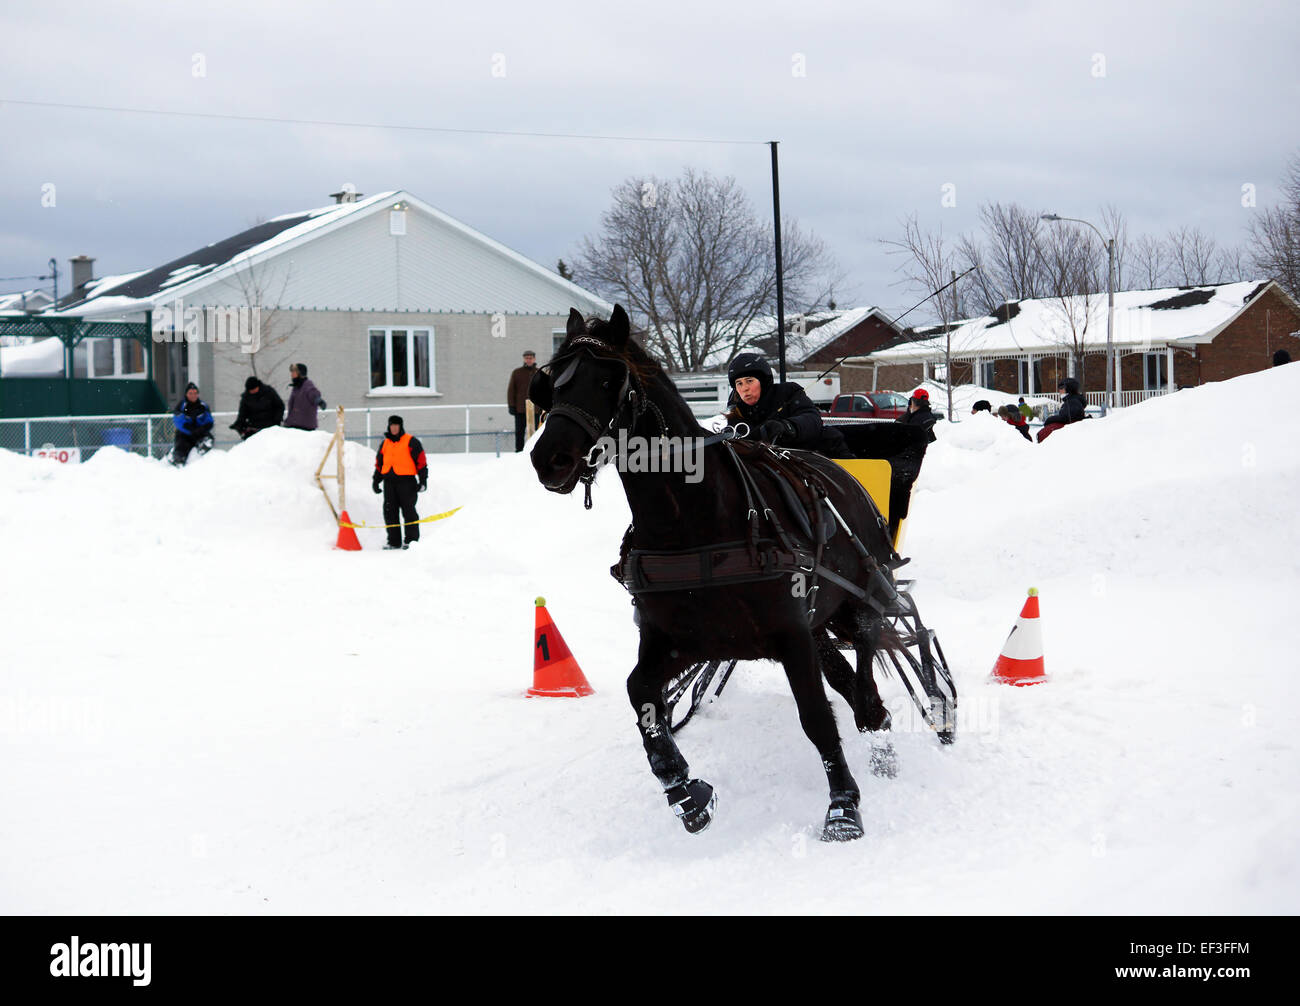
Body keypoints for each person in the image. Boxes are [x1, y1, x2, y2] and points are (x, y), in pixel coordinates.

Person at [723, 353, 849, 457]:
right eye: (739, 383)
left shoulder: (788, 392)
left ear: (763, 381)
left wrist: (787, 427)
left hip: (819, 459)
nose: (744, 388)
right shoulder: (735, 408)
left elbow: (812, 419)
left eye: (749, 381)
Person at [372, 415, 428, 550]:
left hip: (406, 483)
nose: (394, 428)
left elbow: (421, 462)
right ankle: (394, 541)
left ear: (401, 426)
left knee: (409, 512)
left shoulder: (411, 441)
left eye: (397, 425)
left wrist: (423, 481)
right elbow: (379, 464)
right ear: (389, 426)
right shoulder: (385, 443)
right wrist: (376, 481)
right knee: (390, 512)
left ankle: (411, 541)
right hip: (389, 483)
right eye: (392, 425)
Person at [169, 382, 214, 466]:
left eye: (195, 393)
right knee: (181, 450)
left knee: (208, 441)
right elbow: (178, 422)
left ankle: (201, 463)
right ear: (186, 394)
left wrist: (202, 429)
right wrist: (191, 430)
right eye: (190, 393)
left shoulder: (203, 406)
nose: (193, 395)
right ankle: (176, 461)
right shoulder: (181, 406)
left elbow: (209, 421)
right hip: (185, 434)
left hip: (200, 433)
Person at [229, 375, 285, 440]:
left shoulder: (269, 392)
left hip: (270, 427)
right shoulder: (246, 398)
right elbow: (242, 414)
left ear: (257, 386)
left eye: (253, 389)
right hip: (254, 428)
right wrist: (238, 424)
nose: (252, 391)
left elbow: (280, 406)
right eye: (250, 390)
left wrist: (277, 420)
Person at [1037, 378, 1088, 443]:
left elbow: (1066, 419)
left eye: (1062, 388)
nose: (1059, 391)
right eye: (1059, 388)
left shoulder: (1073, 402)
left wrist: (1049, 420)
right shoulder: (1071, 401)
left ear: (1069, 389)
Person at [507, 350, 538, 452]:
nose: (529, 360)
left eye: (531, 358)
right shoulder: (517, 373)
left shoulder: (539, 372)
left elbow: (544, 391)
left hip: (537, 409)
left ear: (534, 359)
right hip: (520, 409)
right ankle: (519, 451)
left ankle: (536, 450)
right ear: (524, 359)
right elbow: (511, 390)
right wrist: (512, 406)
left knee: (537, 432)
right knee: (519, 432)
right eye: (527, 358)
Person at [285, 363, 325, 431]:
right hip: (295, 425)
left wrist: (319, 401)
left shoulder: (307, 385)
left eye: (293, 372)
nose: (291, 374)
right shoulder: (297, 387)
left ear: (300, 373)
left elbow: (313, 394)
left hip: (304, 427)